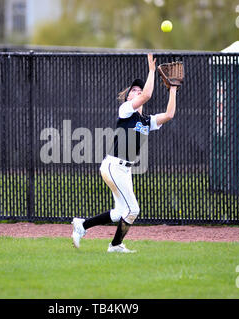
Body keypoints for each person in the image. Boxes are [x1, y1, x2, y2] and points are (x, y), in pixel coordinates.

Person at [71, 53, 178, 253]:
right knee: (133, 210)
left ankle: (82, 225)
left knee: (120, 211)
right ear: (129, 97)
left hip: (126, 170)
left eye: (139, 89)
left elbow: (169, 114)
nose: (138, 92)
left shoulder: (147, 121)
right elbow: (147, 95)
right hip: (113, 166)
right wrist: (152, 71)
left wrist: (172, 90)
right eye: (134, 90)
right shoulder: (125, 110)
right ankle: (114, 245)